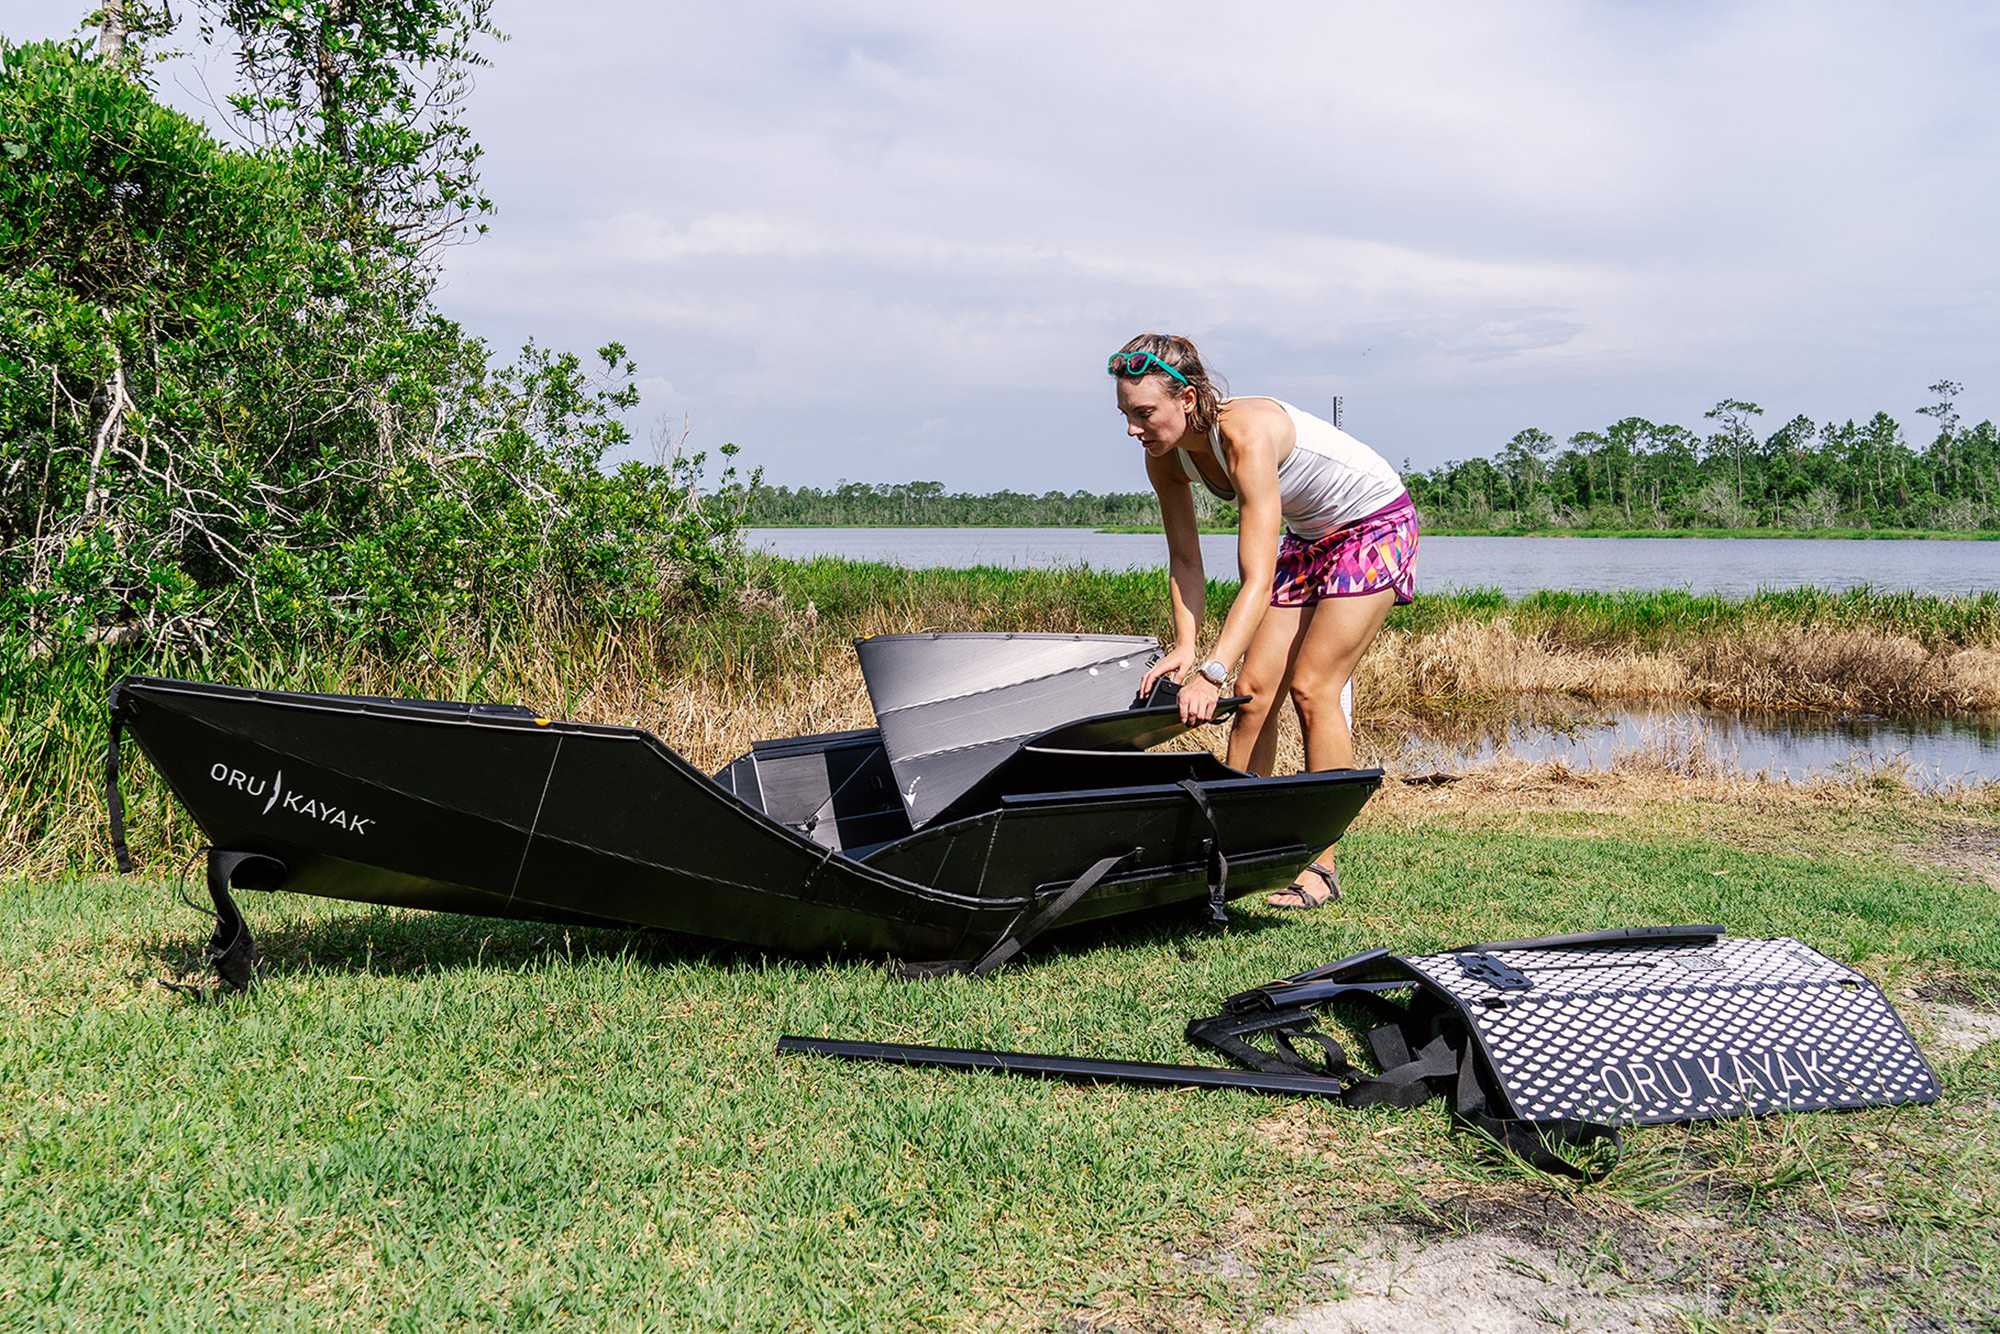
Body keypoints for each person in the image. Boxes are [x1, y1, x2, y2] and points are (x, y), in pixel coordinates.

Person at [1113, 333, 1418, 908]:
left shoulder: (1245, 434)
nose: (1133, 427)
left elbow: (1255, 577)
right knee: (1253, 695)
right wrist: (1186, 645)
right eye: (1126, 414)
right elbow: (1185, 560)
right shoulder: (1164, 457)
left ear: (1187, 398)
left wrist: (1212, 670)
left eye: (1144, 412)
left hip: (1374, 524)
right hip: (1312, 537)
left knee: (1312, 689)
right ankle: (1232, 854)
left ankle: (1319, 869)